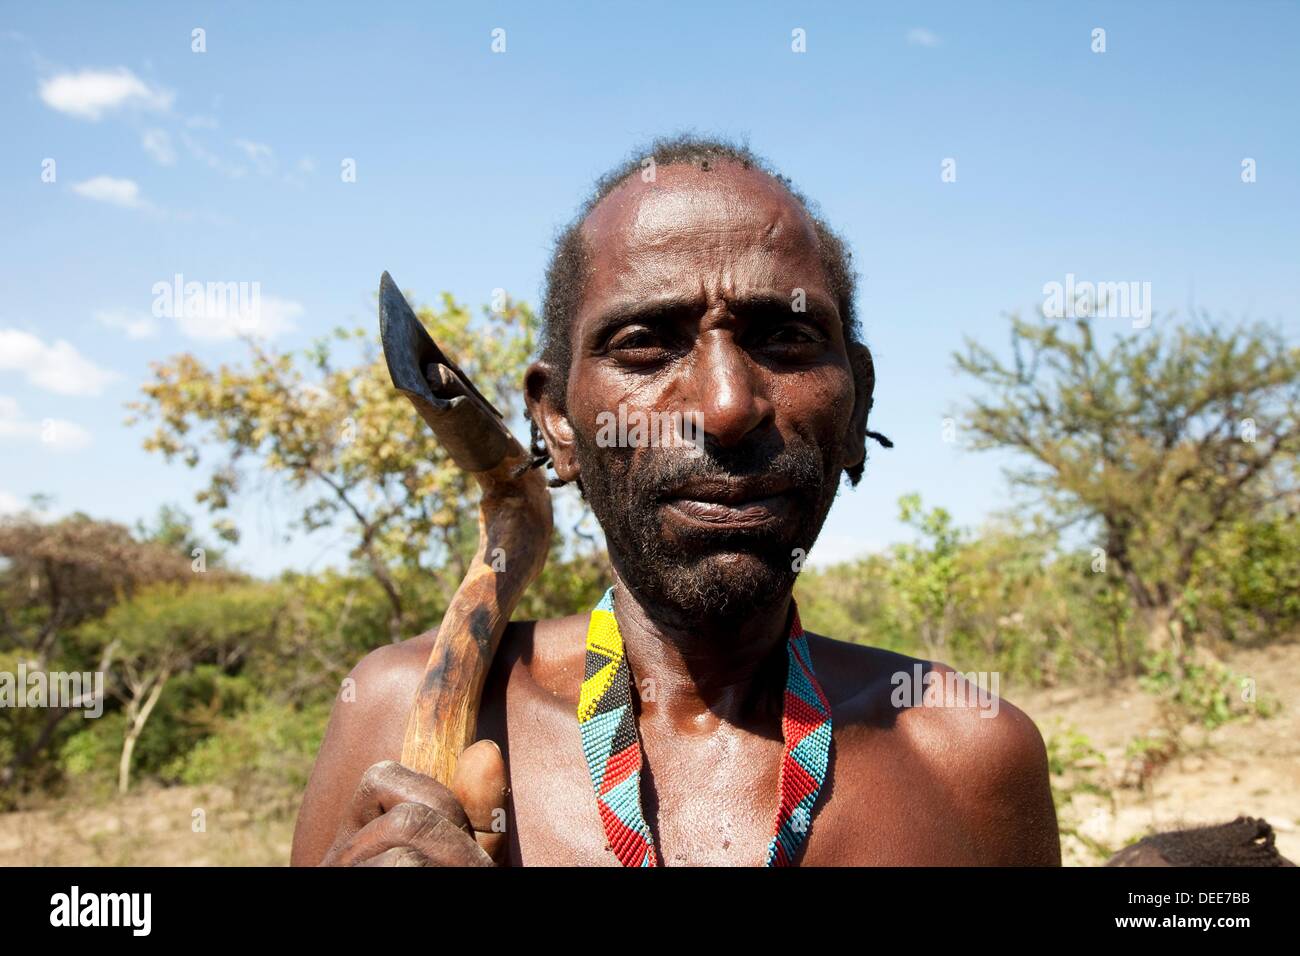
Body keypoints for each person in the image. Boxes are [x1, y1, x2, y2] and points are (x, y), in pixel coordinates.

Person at [290, 136, 1061, 867]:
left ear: (856, 408)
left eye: (785, 338)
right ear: (556, 421)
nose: (727, 407)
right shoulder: (401, 719)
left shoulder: (970, 757)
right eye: (645, 344)